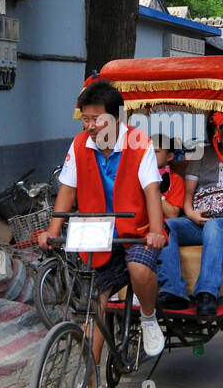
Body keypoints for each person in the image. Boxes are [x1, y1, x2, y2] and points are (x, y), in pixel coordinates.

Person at [39, 79, 168, 357]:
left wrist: (156, 230)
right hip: (97, 233)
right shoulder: (79, 144)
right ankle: (89, 383)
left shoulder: (139, 143)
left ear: (116, 118)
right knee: (94, 303)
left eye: (97, 119)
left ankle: (148, 316)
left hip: (136, 231)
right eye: (85, 119)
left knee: (138, 269)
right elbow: (67, 189)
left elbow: (152, 190)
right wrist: (53, 229)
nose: (90, 126)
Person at [156, 112, 223, 318]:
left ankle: (207, 293)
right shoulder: (201, 153)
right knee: (166, 225)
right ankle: (173, 290)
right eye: (216, 126)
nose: (222, 131)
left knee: (215, 226)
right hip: (198, 220)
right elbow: (188, 193)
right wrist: (190, 213)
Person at [154, 137, 185, 219]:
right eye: (147, 151)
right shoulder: (137, 176)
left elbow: (173, 214)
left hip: (163, 227)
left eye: (156, 151)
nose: (150, 154)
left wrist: (154, 191)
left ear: (169, 156)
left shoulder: (176, 180)